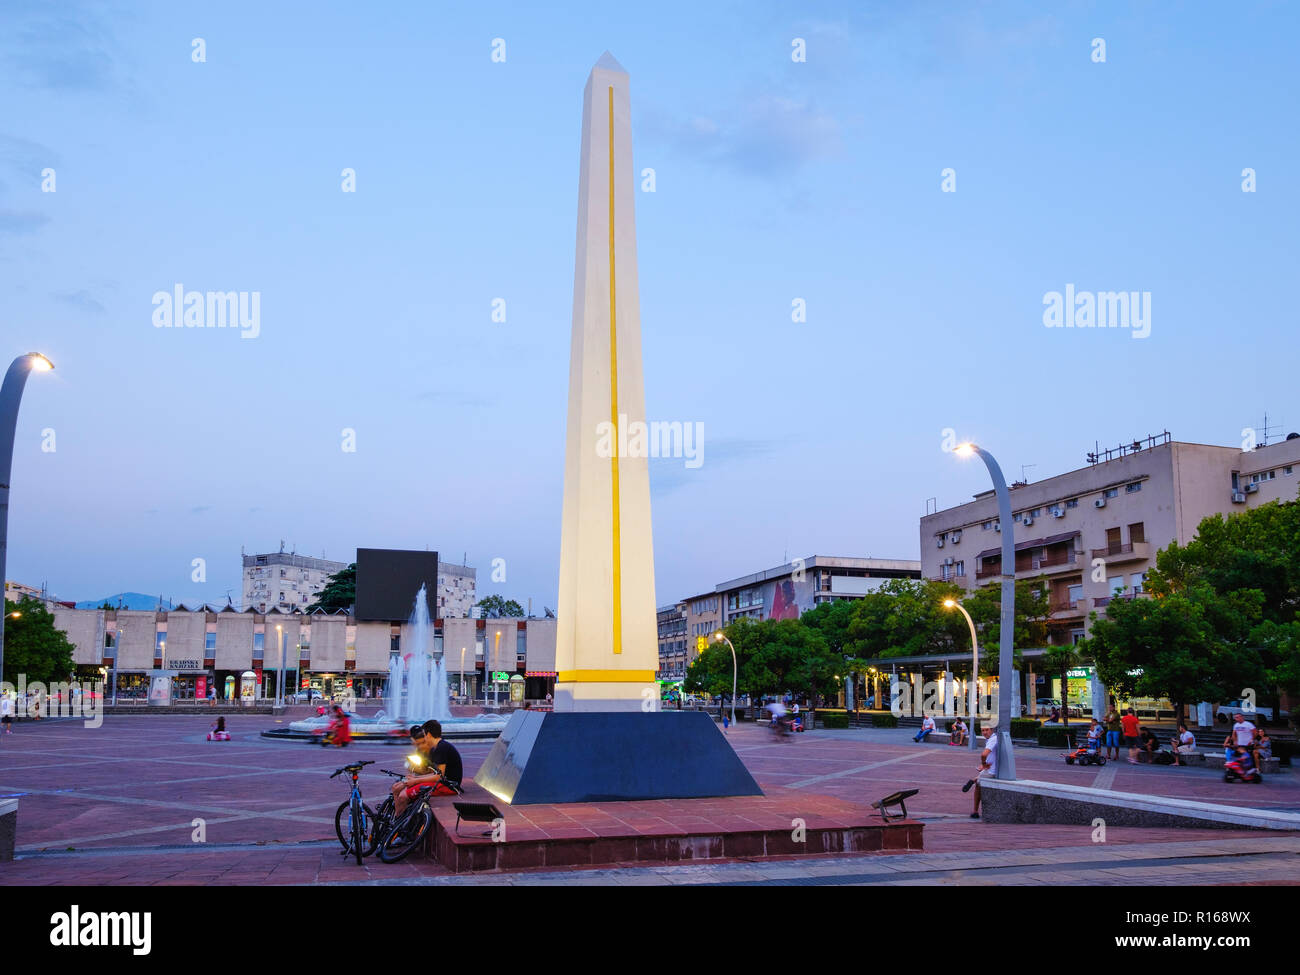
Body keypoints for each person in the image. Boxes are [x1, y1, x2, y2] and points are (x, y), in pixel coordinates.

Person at [392, 720, 463, 817]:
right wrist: (415, 778)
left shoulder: (441, 748)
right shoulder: (441, 746)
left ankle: (399, 822)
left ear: (428, 734)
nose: (424, 739)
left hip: (449, 787)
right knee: (398, 788)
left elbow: (439, 777)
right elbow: (437, 773)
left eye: (424, 735)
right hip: (445, 783)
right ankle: (398, 819)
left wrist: (416, 781)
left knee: (403, 795)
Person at [970, 721, 999, 818]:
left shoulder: (993, 739)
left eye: (987, 730)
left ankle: (975, 811)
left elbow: (984, 754)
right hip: (991, 768)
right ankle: (974, 779)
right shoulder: (992, 738)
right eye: (983, 730)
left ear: (992, 730)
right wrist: (984, 765)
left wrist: (983, 764)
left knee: (978, 785)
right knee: (980, 776)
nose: (985, 732)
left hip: (992, 771)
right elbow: (991, 756)